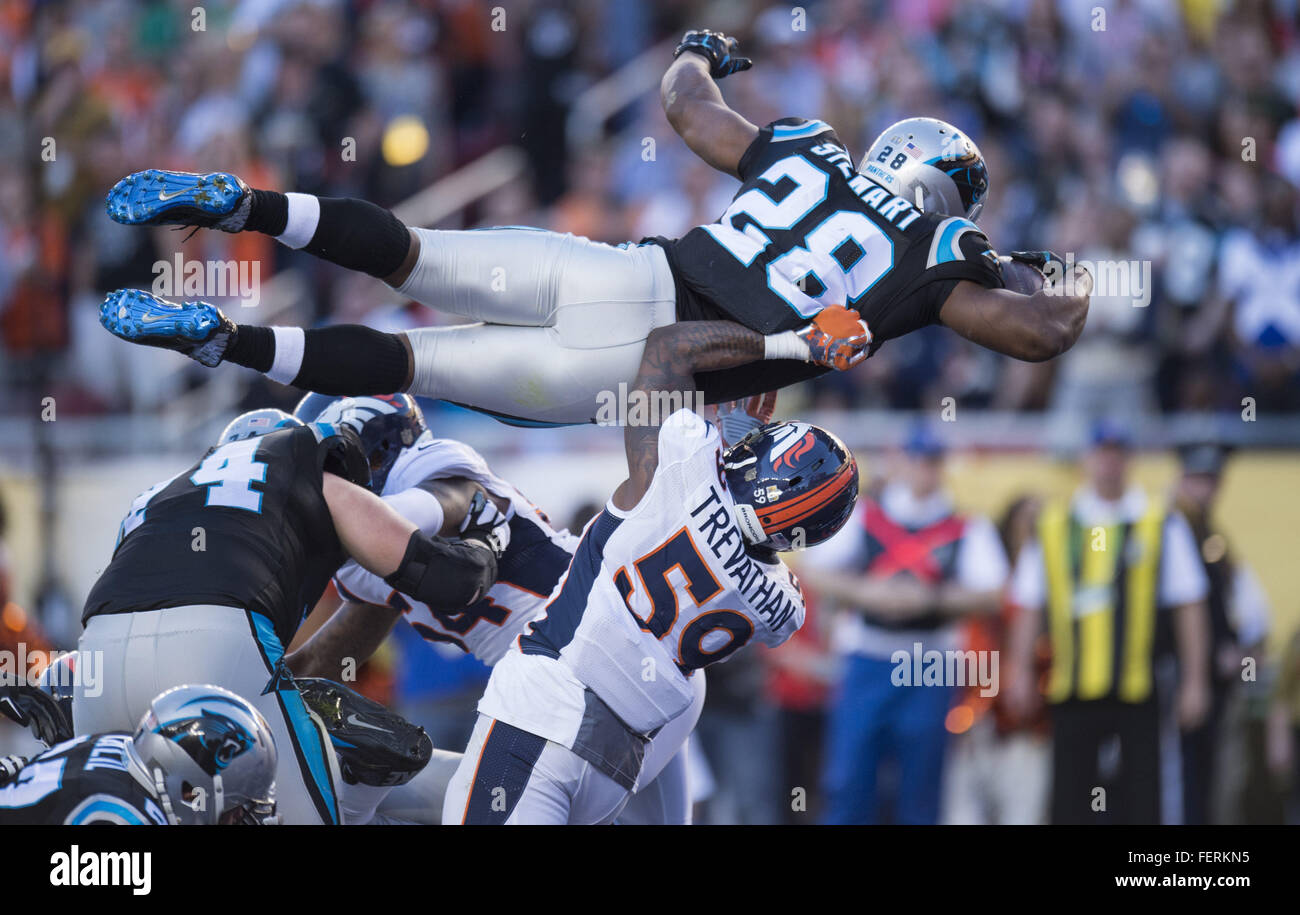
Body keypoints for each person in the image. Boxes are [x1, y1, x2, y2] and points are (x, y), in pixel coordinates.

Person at [95, 30, 1090, 427]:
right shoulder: (938, 251)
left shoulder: (812, 150)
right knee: (413, 366)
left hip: (611, 273)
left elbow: (686, 108)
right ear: (952, 204)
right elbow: (1040, 333)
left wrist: (700, 50)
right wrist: (1065, 279)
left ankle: (248, 206)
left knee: (413, 249)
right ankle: (226, 340)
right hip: (655, 366)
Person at [440, 316, 864, 824]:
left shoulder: (683, 463)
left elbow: (668, 347)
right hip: (617, 764)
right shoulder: (781, 608)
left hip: (541, 714)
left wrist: (795, 343)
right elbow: (743, 539)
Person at [73, 407, 507, 824]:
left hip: (98, 661)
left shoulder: (157, 493)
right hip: (215, 645)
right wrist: (488, 533)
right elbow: (444, 577)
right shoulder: (298, 464)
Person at [797, 426, 1009, 823]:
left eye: (930, 462)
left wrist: (932, 599)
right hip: (868, 654)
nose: (922, 471)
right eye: (915, 460)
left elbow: (993, 591)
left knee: (922, 782)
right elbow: (814, 568)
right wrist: (867, 594)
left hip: (929, 659)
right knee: (849, 778)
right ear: (902, 462)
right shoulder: (865, 515)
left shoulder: (965, 526)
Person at [1005, 421, 1212, 824]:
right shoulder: (1055, 525)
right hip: (1071, 685)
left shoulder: (1159, 521)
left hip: (1139, 686)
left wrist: (1195, 681)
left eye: (1118, 453)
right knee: (1069, 796)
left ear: (1129, 459)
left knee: (1142, 797)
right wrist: (1019, 671)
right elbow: (1028, 603)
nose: (1109, 463)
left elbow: (1189, 604)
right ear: (1087, 458)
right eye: (1102, 452)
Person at [0, 684, 276, 825]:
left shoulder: (123, 747)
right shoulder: (123, 813)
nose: (239, 820)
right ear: (192, 791)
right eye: (235, 813)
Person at [1173, 441, 1271, 823]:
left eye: (1212, 479)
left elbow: (1248, 612)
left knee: (1215, 787)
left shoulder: (1214, 540)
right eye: (1198, 478)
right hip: (1177, 683)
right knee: (1183, 786)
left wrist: (1243, 652)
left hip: (1215, 686)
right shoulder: (1168, 529)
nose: (1205, 488)